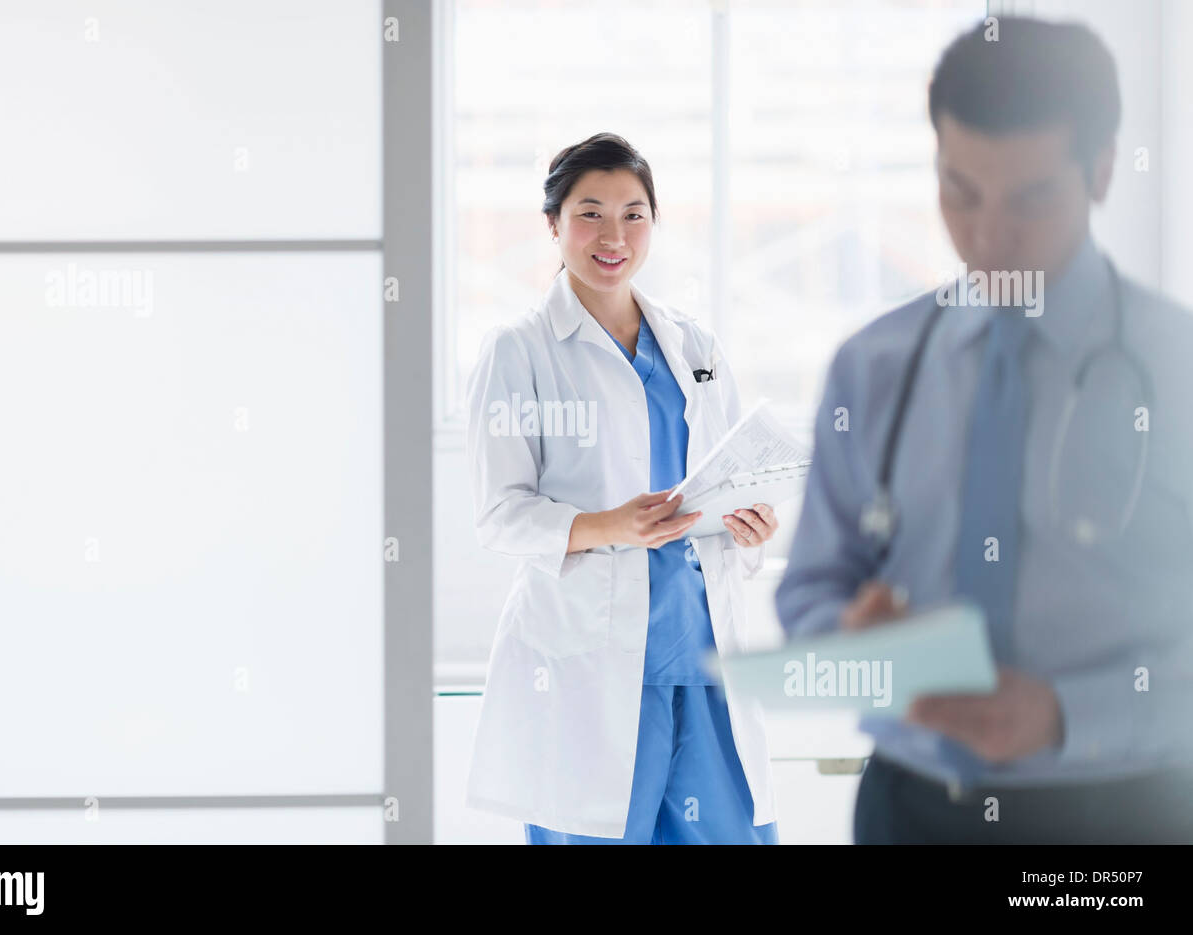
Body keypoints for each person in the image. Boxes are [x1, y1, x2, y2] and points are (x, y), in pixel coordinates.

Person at [775, 16, 1193, 844]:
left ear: (1102, 171)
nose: (988, 235)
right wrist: (856, 646)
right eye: (960, 192)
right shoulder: (873, 369)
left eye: (1031, 198)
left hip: (1123, 815)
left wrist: (1067, 713)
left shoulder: (1175, 367)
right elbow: (810, 595)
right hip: (908, 807)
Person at [464, 132, 781, 844]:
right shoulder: (519, 349)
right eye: (590, 213)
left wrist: (751, 525)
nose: (614, 235)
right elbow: (498, 514)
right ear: (553, 224)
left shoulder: (693, 344)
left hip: (701, 650)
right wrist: (609, 526)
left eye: (634, 214)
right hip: (592, 660)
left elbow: (729, 476)